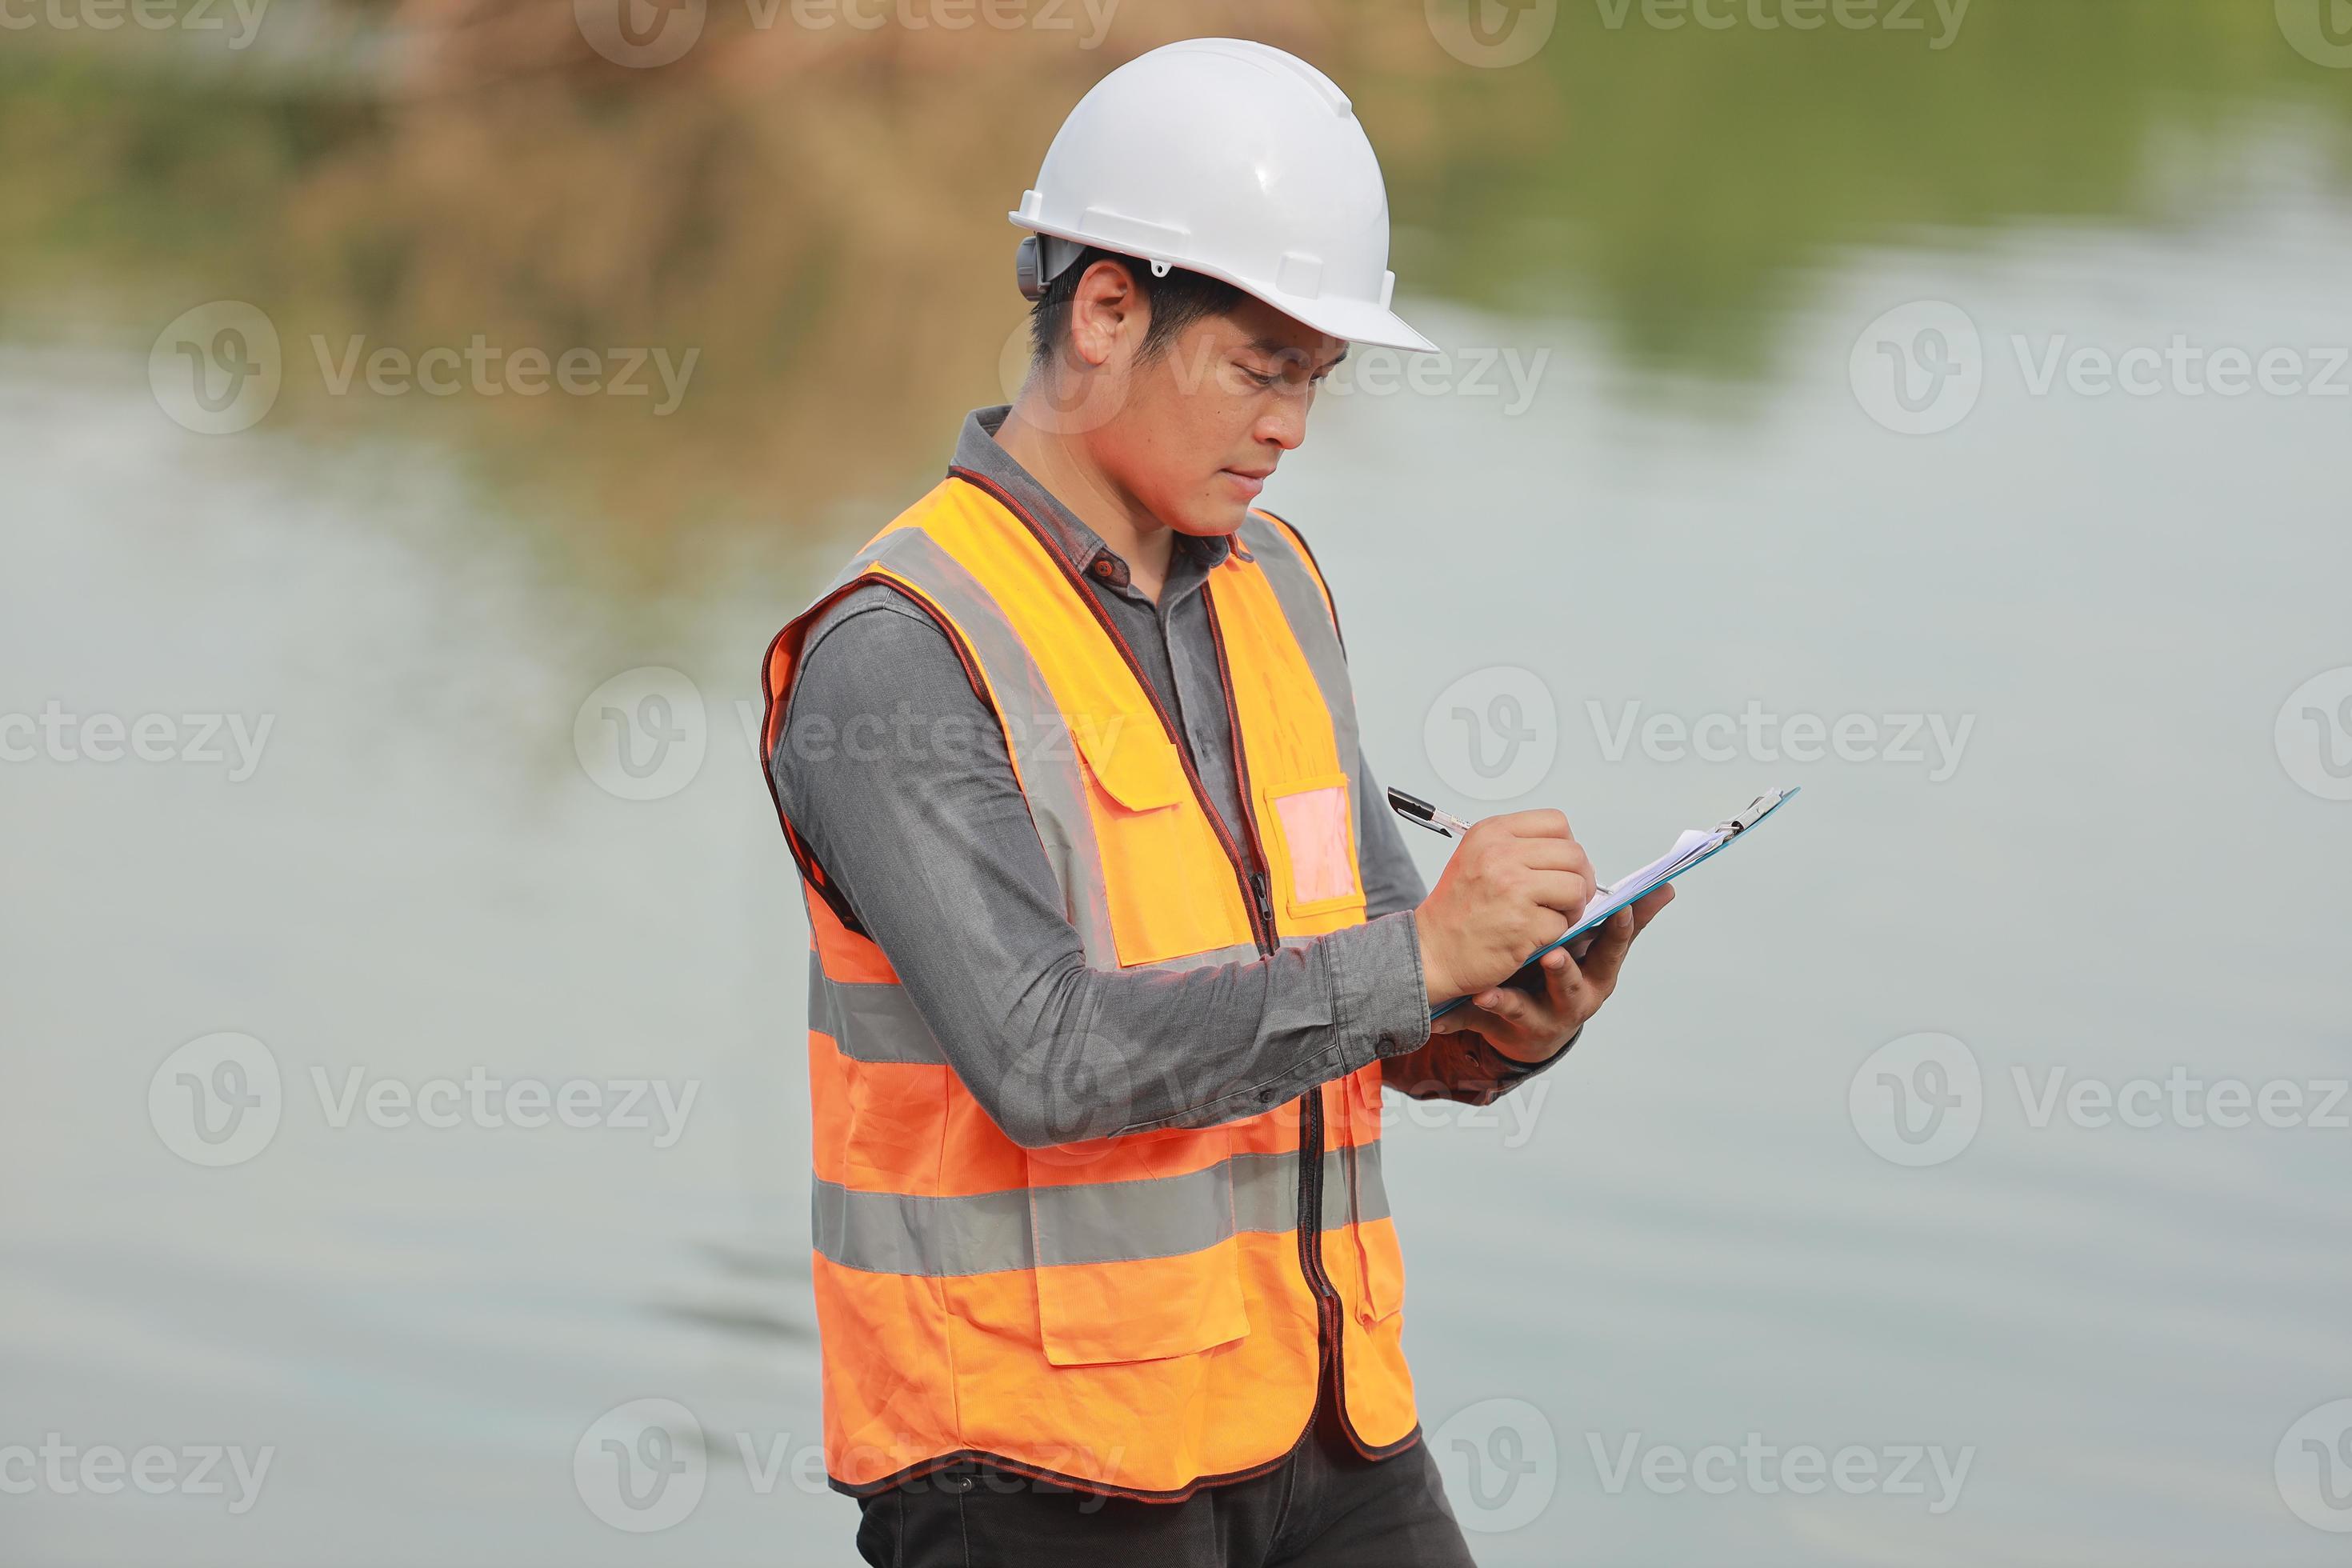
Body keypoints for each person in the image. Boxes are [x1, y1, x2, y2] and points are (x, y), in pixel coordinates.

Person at [757, 37, 1673, 1568]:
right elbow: (1045, 1058)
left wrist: (1504, 1018)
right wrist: (1417, 961)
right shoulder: (901, 653)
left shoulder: (1283, 595)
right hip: (1035, 1477)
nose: (1294, 427)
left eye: (1317, 379)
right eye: (1262, 368)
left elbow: (1372, 984)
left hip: (1326, 1428)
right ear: (1108, 307)